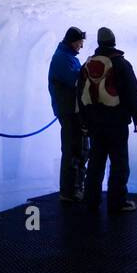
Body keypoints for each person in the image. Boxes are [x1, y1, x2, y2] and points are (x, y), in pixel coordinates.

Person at [76, 26, 137, 213]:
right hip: (117, 122)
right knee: (119, 163)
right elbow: (132, 93)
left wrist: (84, 121)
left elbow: (79, 95)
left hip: (94, 124)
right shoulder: (121, 64)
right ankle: (118, 202)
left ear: (99, 43)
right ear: (113, 42)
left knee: (96, 163)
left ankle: (91, 201)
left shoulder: (87, 65)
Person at [48, 26, 88, 201]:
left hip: (72, 111)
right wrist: (87, 68)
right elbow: (75, 81)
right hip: (69, 112)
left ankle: (76, 188)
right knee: (73, 150)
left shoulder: (67, 57)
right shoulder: (62, 59)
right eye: (80, 42)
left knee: (78, 150)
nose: (81, 45)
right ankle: (70, 191)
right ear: (73, 41)